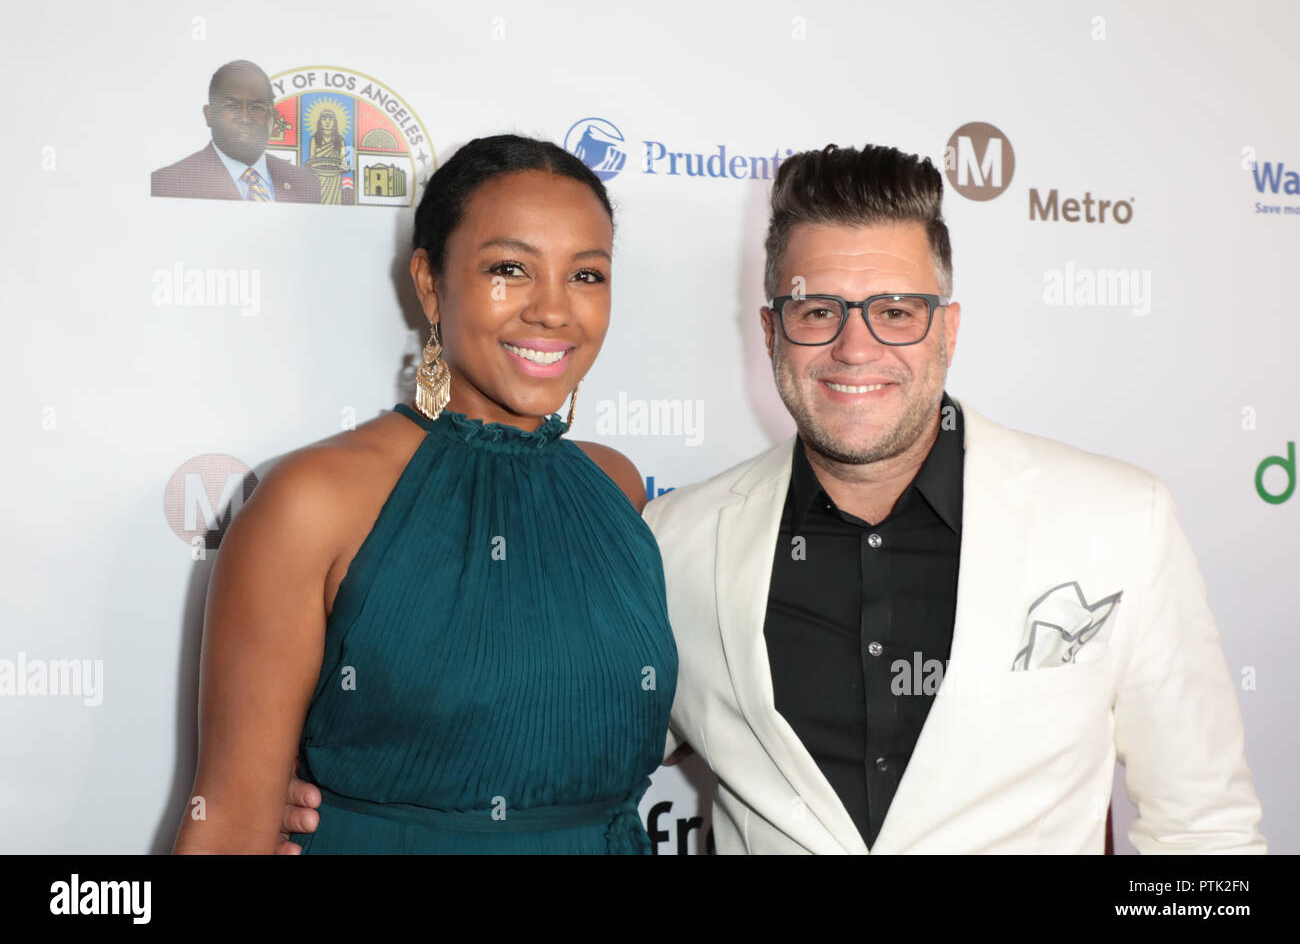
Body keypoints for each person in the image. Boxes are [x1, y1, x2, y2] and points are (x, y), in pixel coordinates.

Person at [279, 143, 1266, 855]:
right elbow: (553, 726)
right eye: (815, 309)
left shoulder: (1118, 519)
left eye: (895, 309)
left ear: (948, 327)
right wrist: (350, 795)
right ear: (769, 328)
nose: (855, 346)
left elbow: (1208, 831)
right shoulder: (669, 539)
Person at [173, 134, 676, 854]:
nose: (554, 311)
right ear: (431, 282)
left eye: (586, 276)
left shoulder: (614, 486)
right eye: (510, 269)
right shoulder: (313, 499)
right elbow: (225, 823)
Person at [151, 60, 321, 203]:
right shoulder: (167, 183)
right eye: (232, 106)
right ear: (209, 115)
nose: (245, 118)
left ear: (273, 118)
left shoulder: (306, 184)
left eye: (256, 107)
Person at [304, 109, 350, 205]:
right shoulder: (314, 140)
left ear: (334, 122)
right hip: (319, 176)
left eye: (330, 119)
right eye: (325, 119)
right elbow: (311, 160)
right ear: (320, 122)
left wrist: (346, 167)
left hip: (335, 178)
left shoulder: (340, 141)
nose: (327, 122)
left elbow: (344, 160)